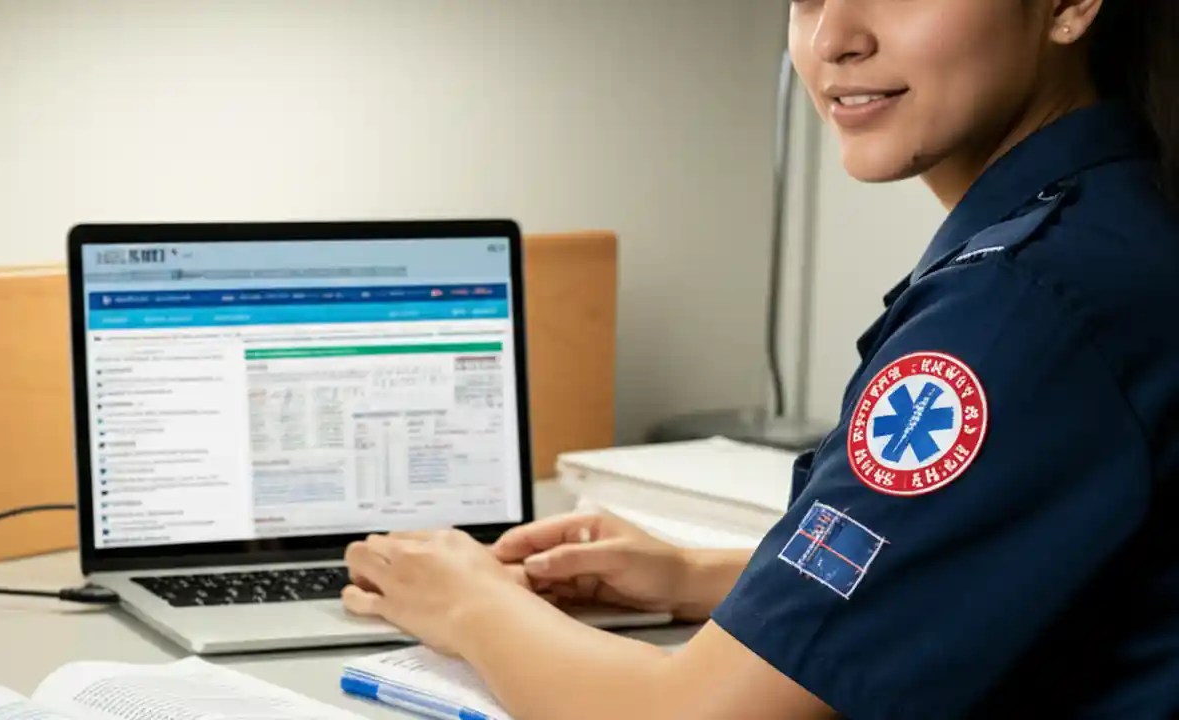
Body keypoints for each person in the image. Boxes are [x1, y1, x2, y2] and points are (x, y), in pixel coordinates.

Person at [342, 0, 1179, 716]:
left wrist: (466, 602)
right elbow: (1026, 571)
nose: (831, 40)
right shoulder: (1110, 219)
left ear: (1071, 5)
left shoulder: (1019, 304)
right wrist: (698, 575)